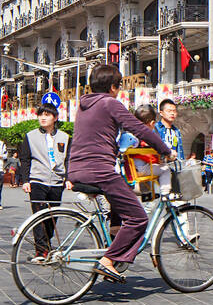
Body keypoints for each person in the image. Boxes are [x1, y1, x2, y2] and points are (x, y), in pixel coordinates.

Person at [68, 62, 173, 280]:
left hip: (77, 168)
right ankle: (107, 261)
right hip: (99, 169)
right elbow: (139, 128)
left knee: (120, 207)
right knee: (138, 218)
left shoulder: (83, 105)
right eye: (119, 87)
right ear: (114, 87)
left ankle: (114, 255)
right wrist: (165, 150)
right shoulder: (109, 103)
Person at [19, 103, 73, 257]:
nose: (43, 118)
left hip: (56, 182)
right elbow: (25, 159)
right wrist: (26, 180)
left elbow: (68, 159)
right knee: (38, 216)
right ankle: (41, 250)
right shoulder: (31, 136)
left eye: (47, 115)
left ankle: (46, 244)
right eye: (41, 115)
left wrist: (68, 178)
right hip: (37, 181)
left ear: (55, 118)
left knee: (52, 217)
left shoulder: (64, 137)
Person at [156, 99, 185, 163]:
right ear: (161, 113)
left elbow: (179, 150)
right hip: (160, 166)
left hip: (174, 166)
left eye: (174, 111)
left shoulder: (176, 131)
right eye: (169, 111)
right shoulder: (156, 128)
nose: (172, 113)